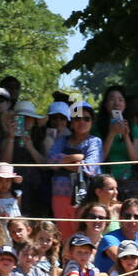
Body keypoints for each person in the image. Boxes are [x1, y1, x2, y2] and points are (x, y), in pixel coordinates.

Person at [48, 102, 103, 242]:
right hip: (58, 195)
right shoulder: (62, 140)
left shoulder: (95, 141)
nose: (82, 122)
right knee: (63, 238)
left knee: (83, 238)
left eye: (87, 118)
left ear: (92, 122)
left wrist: (62, 162)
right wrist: (76, 158)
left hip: (83, 197)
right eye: (77, 118)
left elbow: (90, 167)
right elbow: (49, 161)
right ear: (71, 122)